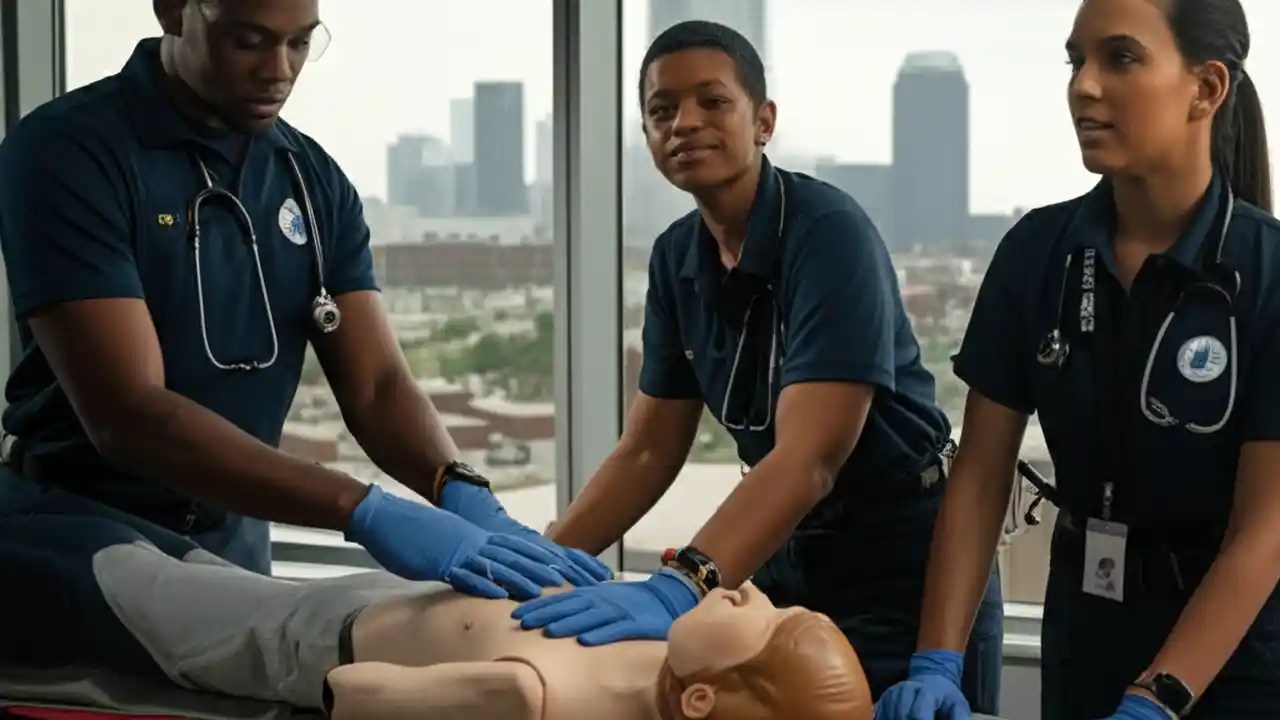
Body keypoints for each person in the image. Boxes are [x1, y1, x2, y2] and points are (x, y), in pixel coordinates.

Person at [0, 0, 609, 673]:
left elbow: (377, 387)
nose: (278, 70)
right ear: (174, 10)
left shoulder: (309, 180)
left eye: (299, 43)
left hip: (234, 537)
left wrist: (459, 489)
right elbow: (130, 412)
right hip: (81, 530)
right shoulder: (68, 152)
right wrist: (365, 510)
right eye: (249, 41)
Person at [511, 19, 1004, 712]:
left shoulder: (828, 231)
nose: (684, 123)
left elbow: (810, 459)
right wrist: (539, 564)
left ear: (763, 119)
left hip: (901, 559)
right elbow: (649, 450)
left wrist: (684, 584)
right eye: (662, 110)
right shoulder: (676, 257)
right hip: (781, 557)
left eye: (712, 102)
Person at [876, 0, 1278, 718]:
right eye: (1076, 60)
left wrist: (1158, 699)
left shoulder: (1267, 272)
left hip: (1232, 661)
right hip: (1084, 630)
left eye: (1120, 59)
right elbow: (979, 473)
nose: (1083, 86)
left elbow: (1266, 528)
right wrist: (937, 659)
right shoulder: (1039, 253)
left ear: (1207, 88)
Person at [0, 504, 875, 720]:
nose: (745, 586)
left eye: (758, 614)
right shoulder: (664, 652)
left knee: (99, 567)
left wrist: (495, 691)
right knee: (107, 532)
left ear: (700, 700)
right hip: (368, 593)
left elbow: (353, 694)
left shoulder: (538, 702)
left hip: (301, 636)